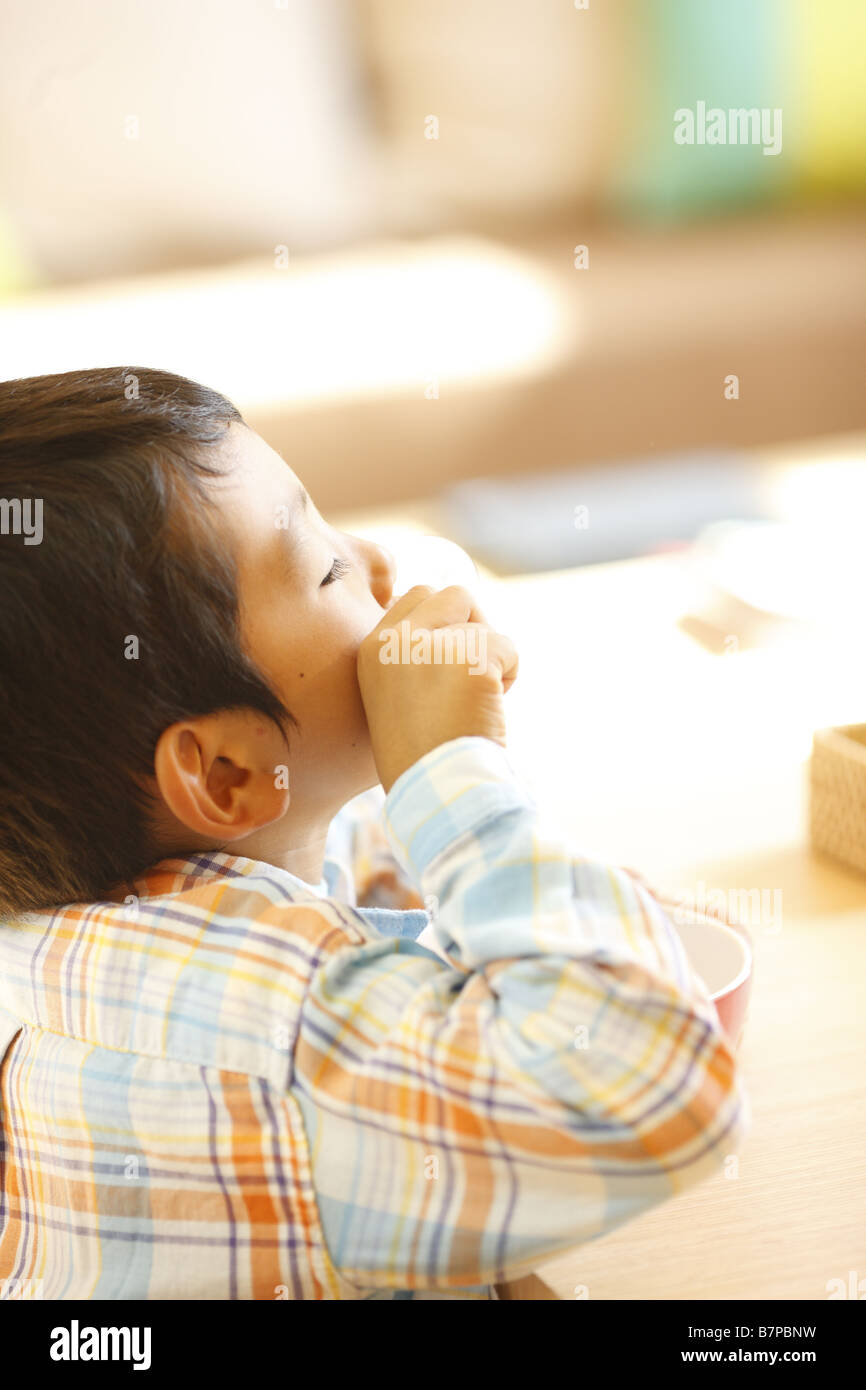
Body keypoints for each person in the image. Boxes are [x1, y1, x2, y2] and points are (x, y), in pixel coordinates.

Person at [0, 367, 747, 1300]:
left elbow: (360, 868)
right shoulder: (282, 1034)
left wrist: (534, 886)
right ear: (225, 774)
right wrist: (453, 770)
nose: (381, 562)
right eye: (324, 570)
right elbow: (644, 1089)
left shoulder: (89, 903)